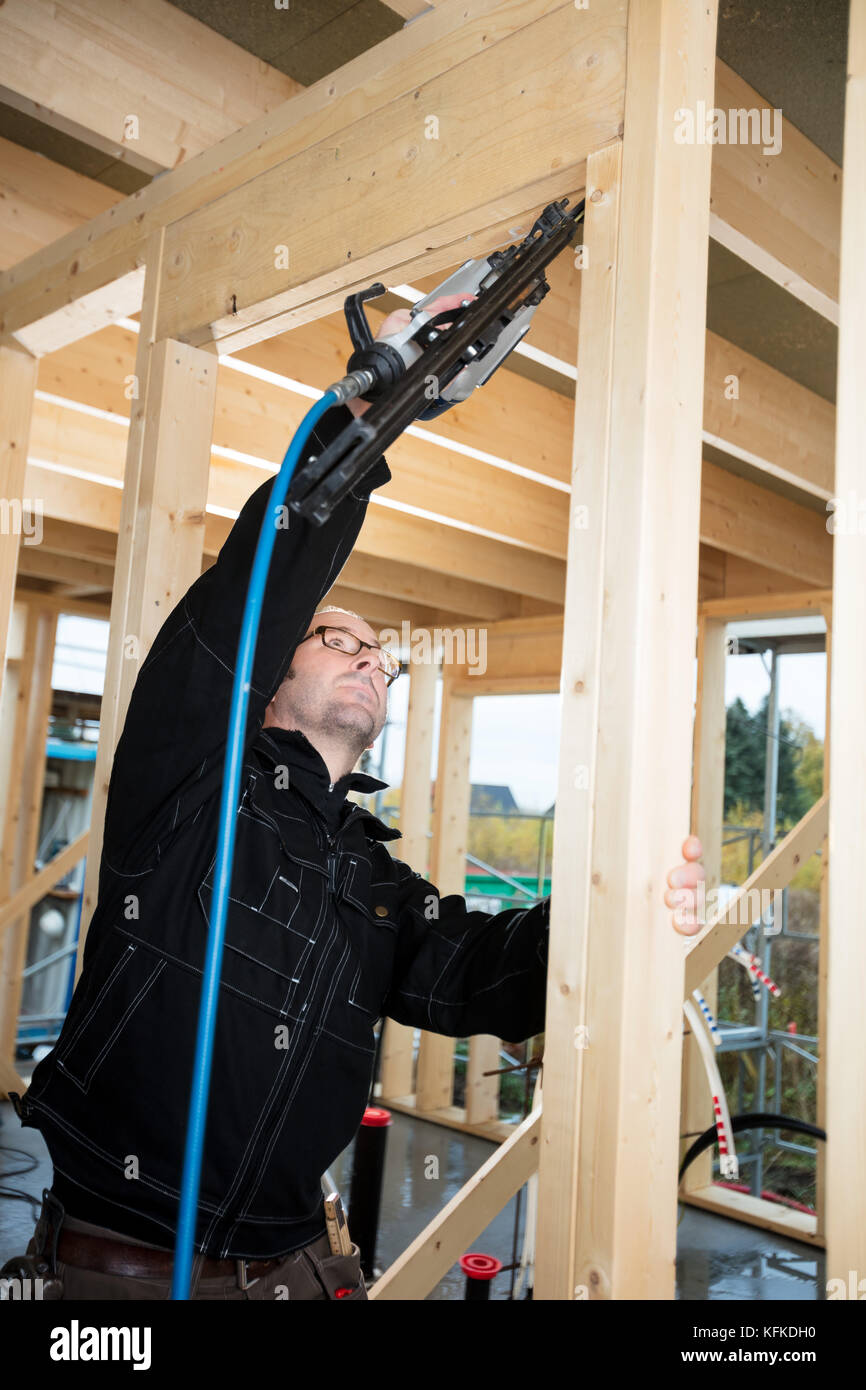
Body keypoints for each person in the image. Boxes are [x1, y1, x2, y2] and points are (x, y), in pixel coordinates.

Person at [4, 298, 705, 1300]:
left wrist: (629, 907)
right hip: (120, 1272)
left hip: (297, 1269)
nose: (370, 652)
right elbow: (256, 585)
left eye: (380, 650)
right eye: (336, 637)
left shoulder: (371, 880)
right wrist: (379, 404)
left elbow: (480, 975)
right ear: (268, 679)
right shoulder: (190, 778)